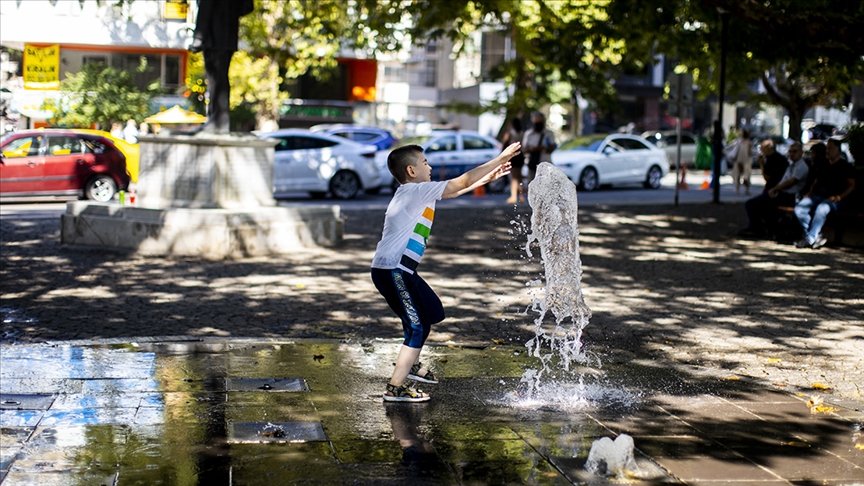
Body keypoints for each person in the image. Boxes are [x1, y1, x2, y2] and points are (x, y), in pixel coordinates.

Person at [371, 141, 521, 402]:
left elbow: (455, 191)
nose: (429, 166)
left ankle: (411, 363)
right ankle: (395, 388)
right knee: (416, 328)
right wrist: (499, 159)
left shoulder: (417, 192)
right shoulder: (414, 192)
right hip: (393, 271)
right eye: (425, 162)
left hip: (401, 271)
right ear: (411, 170)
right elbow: (459, 183)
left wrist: (487, 177)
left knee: (431, 313)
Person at [189, 0, 254, 134]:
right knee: (219, 79)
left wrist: (199, 37)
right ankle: (216, 120)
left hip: (213, 35)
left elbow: (206, 6)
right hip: (228, 33)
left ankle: (218, 122)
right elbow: (247, 7)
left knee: (216, 80)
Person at [793, 138, 857, 249]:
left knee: (822, 209)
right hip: (817, 196)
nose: (827, 151)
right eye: (827, 148)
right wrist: (809, 192)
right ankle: (814, 236)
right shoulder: (823, 164)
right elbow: (816, 181)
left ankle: (809, 238)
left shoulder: (845, 166)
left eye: (830, 148)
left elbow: (852, 185)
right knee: (799, 209)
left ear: (838, 149)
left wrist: (840, 197)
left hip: (834, 199)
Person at [739, 142, 808, 238]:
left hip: (789, 196)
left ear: (801, 152)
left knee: (753, 204)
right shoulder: (791, 165)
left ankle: (758, 229)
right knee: (756, 204)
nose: (791, 154)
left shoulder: (800, 166)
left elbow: (790, 182)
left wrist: (775, 189)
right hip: (780, 192)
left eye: (794, 151)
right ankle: (761, 228)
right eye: (790, 151)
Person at [521, 112, 556, 188]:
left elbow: (552, 147)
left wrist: (545, 148)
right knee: (533, 186)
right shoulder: (529, 134)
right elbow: (524, 149)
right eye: (536, 122)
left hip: (545, 163)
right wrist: (533, 149)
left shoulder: (548, 134)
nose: (537, 124)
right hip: (532, 163)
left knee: (545, 187)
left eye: (539, 122)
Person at [500, 117, 525, 204]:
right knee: (519, 176)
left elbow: (504, 144)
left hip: (513, 156)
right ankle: (521, 196)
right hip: (520, 155)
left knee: (513, 177)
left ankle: (513, 196)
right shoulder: (522, 133)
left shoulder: (510, 133)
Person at [730, 129, 753, 195]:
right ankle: (746, 190)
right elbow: (750, 152)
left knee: (738, 175)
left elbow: (735, 150)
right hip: (746, 160)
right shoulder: (749, 142)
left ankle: (738, 189)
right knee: (747, 175)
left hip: (739, 160)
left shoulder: (739, 141)